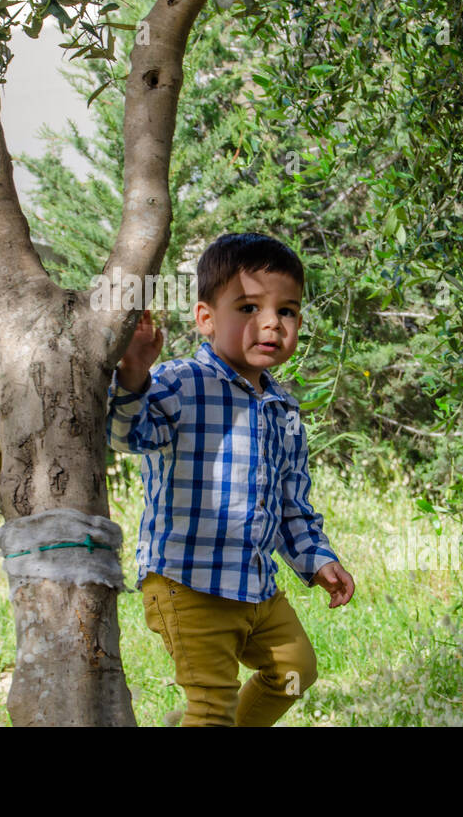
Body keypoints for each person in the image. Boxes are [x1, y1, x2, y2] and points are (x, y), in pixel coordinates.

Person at [106, 232, 355, 727]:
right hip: (188, 584)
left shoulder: (283, 407)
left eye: (287, 311)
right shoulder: (180, 383)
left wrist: (319, 559)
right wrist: (133, 371)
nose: (271, 323)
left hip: (256, 587)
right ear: (205, 318)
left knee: (295, 671)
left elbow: (293, 504)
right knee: (211, 706)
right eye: (247, 307)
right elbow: (126, 434)